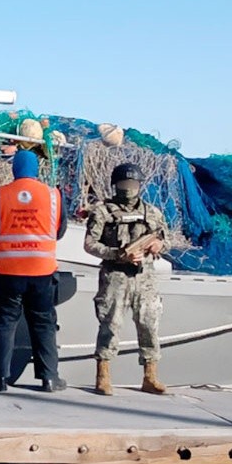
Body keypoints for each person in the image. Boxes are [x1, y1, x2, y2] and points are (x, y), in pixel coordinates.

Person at [0, 150, 67, 392]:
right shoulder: (53, 196)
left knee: (3, 323)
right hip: (42, 271)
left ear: (14, 169)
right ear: (36, 170)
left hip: (6, 270)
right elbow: (59, 231)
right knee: (43, 323)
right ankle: (49, 378)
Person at [84, 162, 170, 395]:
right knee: (110, 324)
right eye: (124, 184)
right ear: (115, 185)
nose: (128, 188)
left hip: (145, 278)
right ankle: (103, 376)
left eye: (132, 184)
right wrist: (118, 254)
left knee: (149, 324)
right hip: (115, 276)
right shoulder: (102, 212)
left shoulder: (152, 212)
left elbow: (165, 238)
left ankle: (150, 376)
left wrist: (158, 244)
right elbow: (90, 244)